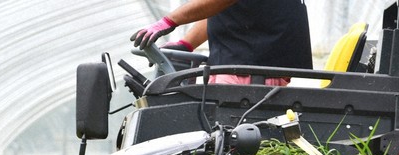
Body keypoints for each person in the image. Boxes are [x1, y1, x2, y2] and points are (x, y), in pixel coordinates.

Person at [131, 0, 312, 86]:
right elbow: (223, 9)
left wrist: (170, 21)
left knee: (228, 151)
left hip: (247, 77)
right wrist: (186, 44)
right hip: (248, 72)